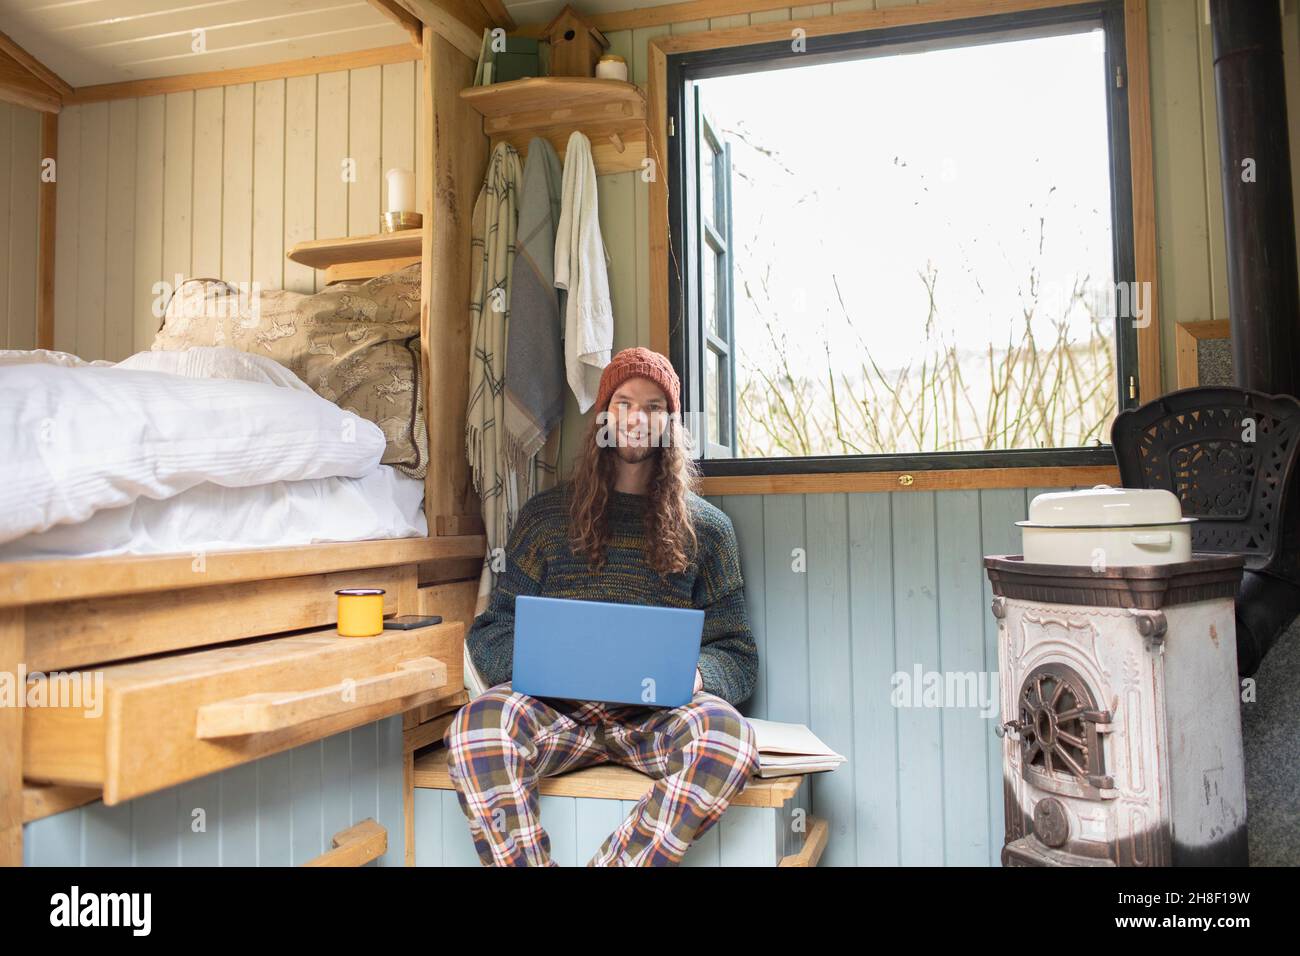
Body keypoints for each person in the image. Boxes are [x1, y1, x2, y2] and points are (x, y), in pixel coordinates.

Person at [443, 346, 761, 866]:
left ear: (670, 425)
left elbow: (738, 654)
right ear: (604, 417)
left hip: (654, 720)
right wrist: (543, 669)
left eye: (655, 407)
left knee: (730, 742)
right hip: (557, 716)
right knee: (475, 729)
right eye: (625, 402)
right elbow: (492, 631)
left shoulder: (709, 529)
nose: (638, 418)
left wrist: (697, 675)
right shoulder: (545, 517)